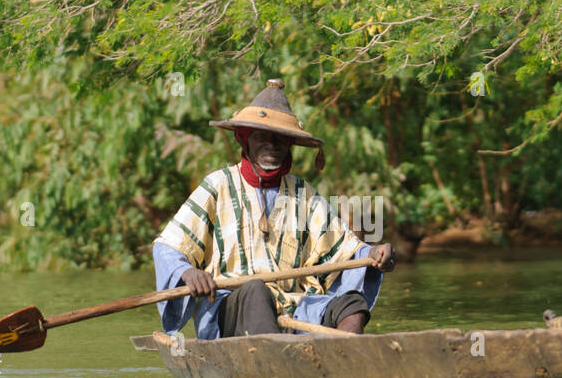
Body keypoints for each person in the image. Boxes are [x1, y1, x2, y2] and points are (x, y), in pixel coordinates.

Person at [152, 78, 394, 338]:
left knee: (352, 304)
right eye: (262, 137)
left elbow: (345, 253)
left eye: (280, 139)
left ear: (290, 146)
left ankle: (345, 356)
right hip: (231, 309)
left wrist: (374, 254)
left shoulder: (303, 193)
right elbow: (168, 246)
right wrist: (187, 272)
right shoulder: (217, 185)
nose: (272, 145)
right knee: (256, 289)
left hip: (296, 307)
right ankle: (272, 364)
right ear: (244, 141)